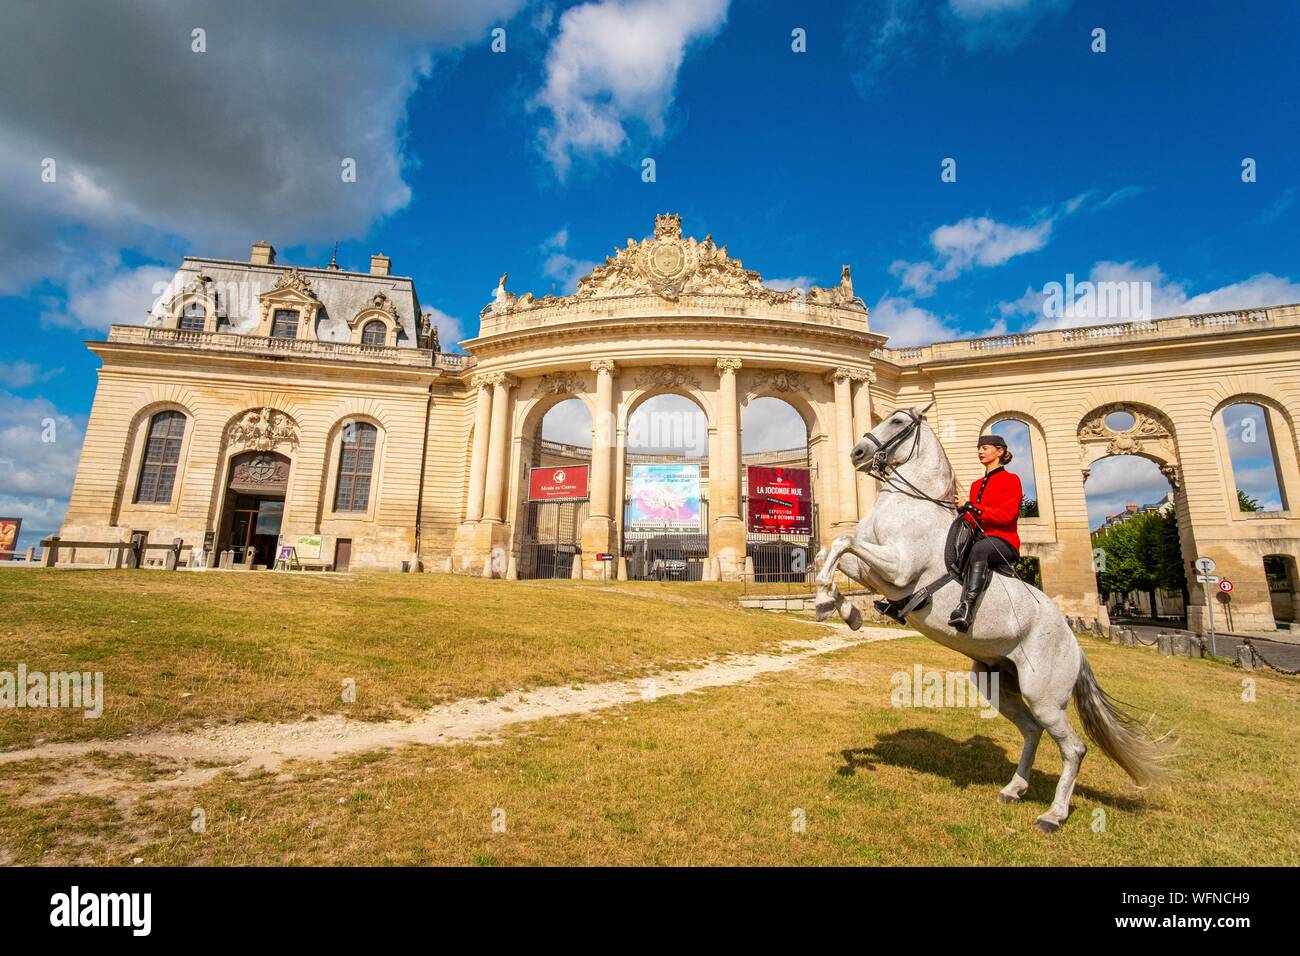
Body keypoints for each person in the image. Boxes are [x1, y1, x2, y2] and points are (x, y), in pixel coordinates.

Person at [949, 434, 1023, 632]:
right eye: (979, 448)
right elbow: (972, 520)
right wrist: (962, 510)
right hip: (980, 540)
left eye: (985, 448)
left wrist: (973, 506)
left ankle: (967, 607)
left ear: (1000, 452)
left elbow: (1007, 516)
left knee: (980, 549)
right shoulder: (975, 485)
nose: (980, 452)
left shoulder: (1011, 480)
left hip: (1003, 542)